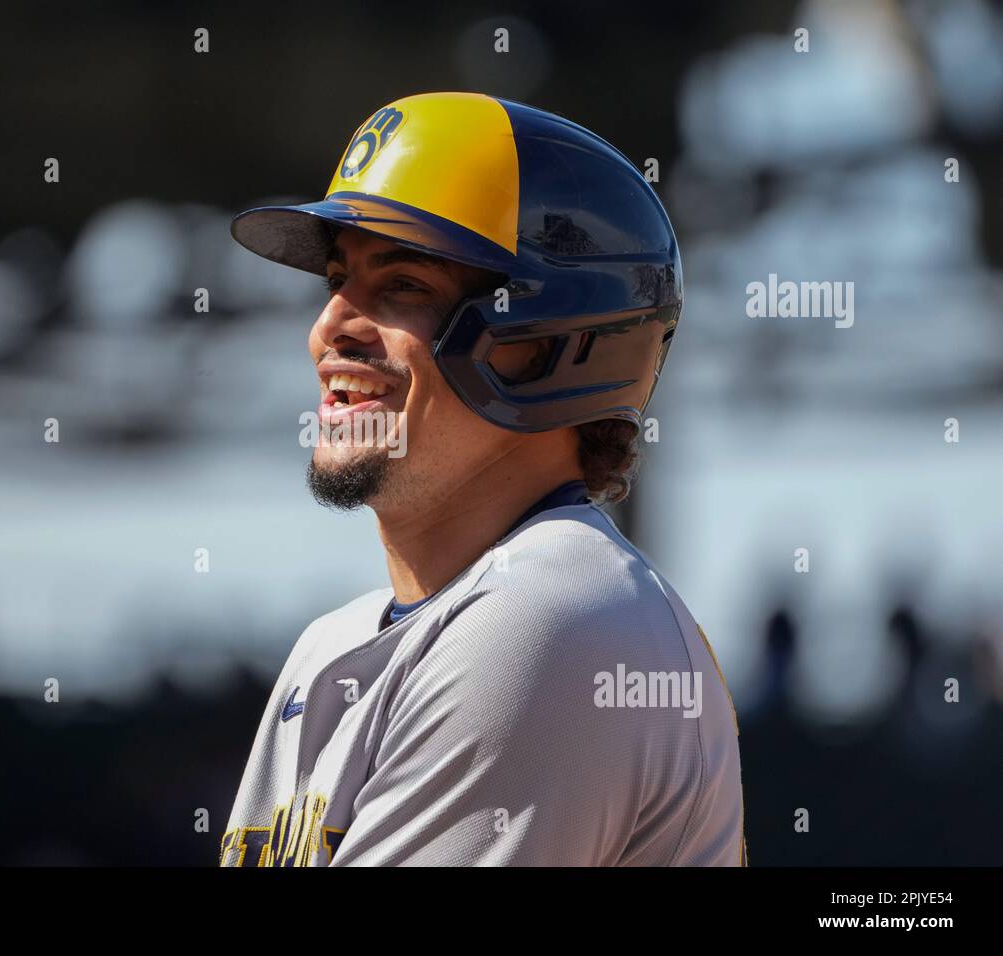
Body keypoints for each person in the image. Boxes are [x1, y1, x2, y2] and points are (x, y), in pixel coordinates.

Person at [219, 91, 744, 866]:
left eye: (403, 286)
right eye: (337, 279)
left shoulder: (549, 619)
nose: (328, 328)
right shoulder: (332, 645)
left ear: (544, 343)